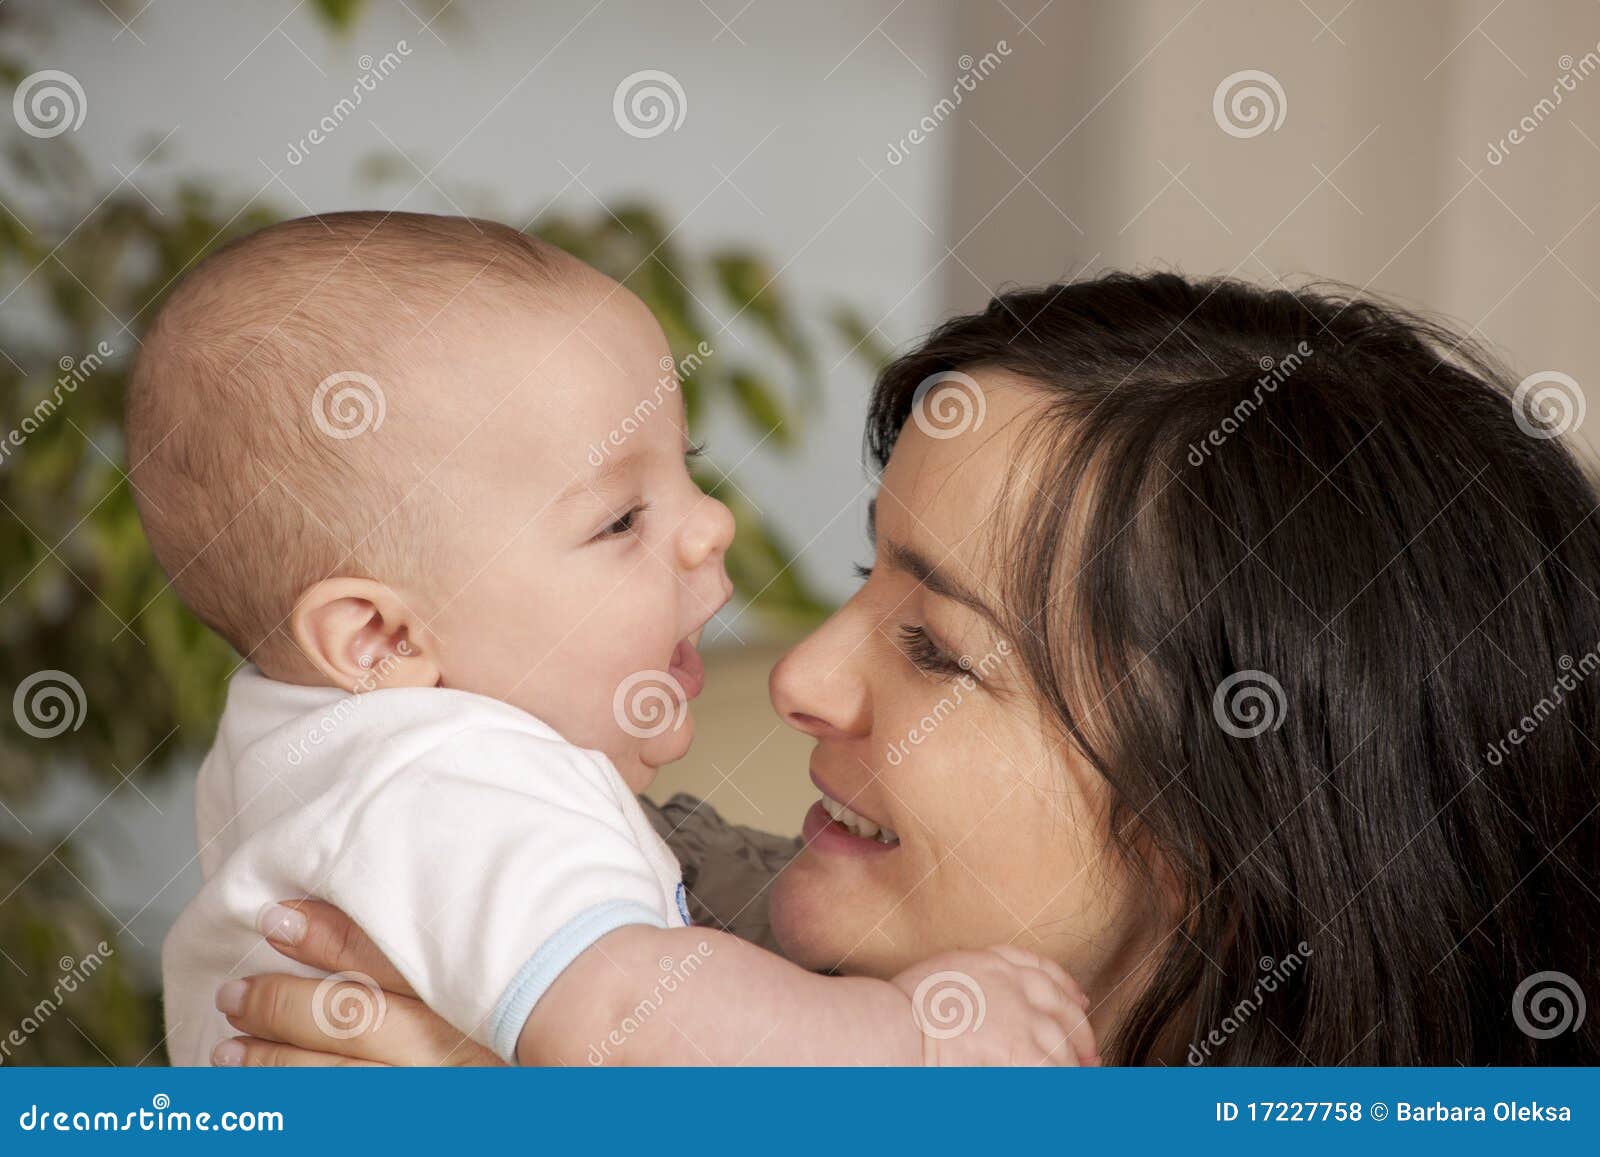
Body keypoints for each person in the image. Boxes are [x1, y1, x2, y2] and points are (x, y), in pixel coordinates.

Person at [212, 270, 1600, 1066]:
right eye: (865, 574)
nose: (804, 675)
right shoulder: (639, 897)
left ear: (1238, 828)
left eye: (936, 646)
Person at [127, 211, 1096, 1067]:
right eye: (618, 519)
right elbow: (636, 1016)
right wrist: (912, 1040)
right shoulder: (450, 775)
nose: (709, 524)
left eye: (934, 644)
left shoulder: (328, 759)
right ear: (378, 634)